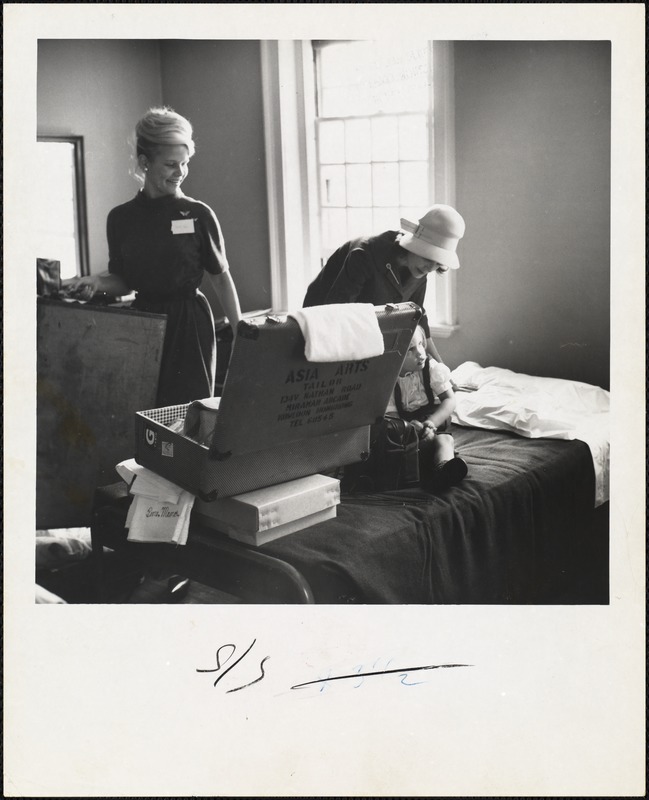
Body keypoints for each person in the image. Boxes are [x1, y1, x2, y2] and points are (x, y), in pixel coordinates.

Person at [63, 106, 242, 407]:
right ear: (145, 162)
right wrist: (96, 282)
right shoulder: (120, 218)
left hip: (189, 324)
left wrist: (241, 334)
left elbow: (221, 278)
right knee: (145, 410)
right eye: (171, 164)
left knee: (189, 414)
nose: (180, 172)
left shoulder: (199, 215)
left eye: (184, 163)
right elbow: (123, 282)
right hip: (143, 322)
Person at [303, 204, 465, 364]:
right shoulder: (364, 255)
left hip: (358, 327)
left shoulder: (420, 269)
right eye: (428, 258)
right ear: (414, 248)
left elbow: (417, 322)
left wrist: (443, 371)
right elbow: (337, 314)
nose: (431, 268)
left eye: (437, 263)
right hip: (322, 322)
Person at [385, 323, 468, 490]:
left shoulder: (431, 370)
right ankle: (425, 467)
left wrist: (431, 423)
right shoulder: (388, 381)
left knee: (445, 440)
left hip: (432, 422)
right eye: (411, 350)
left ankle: (443, 469)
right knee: (407, 449)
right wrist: (409, 428)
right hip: (407, 429)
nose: (421, 353)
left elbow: (450, 400)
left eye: (421, 345)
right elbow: (393, 418)